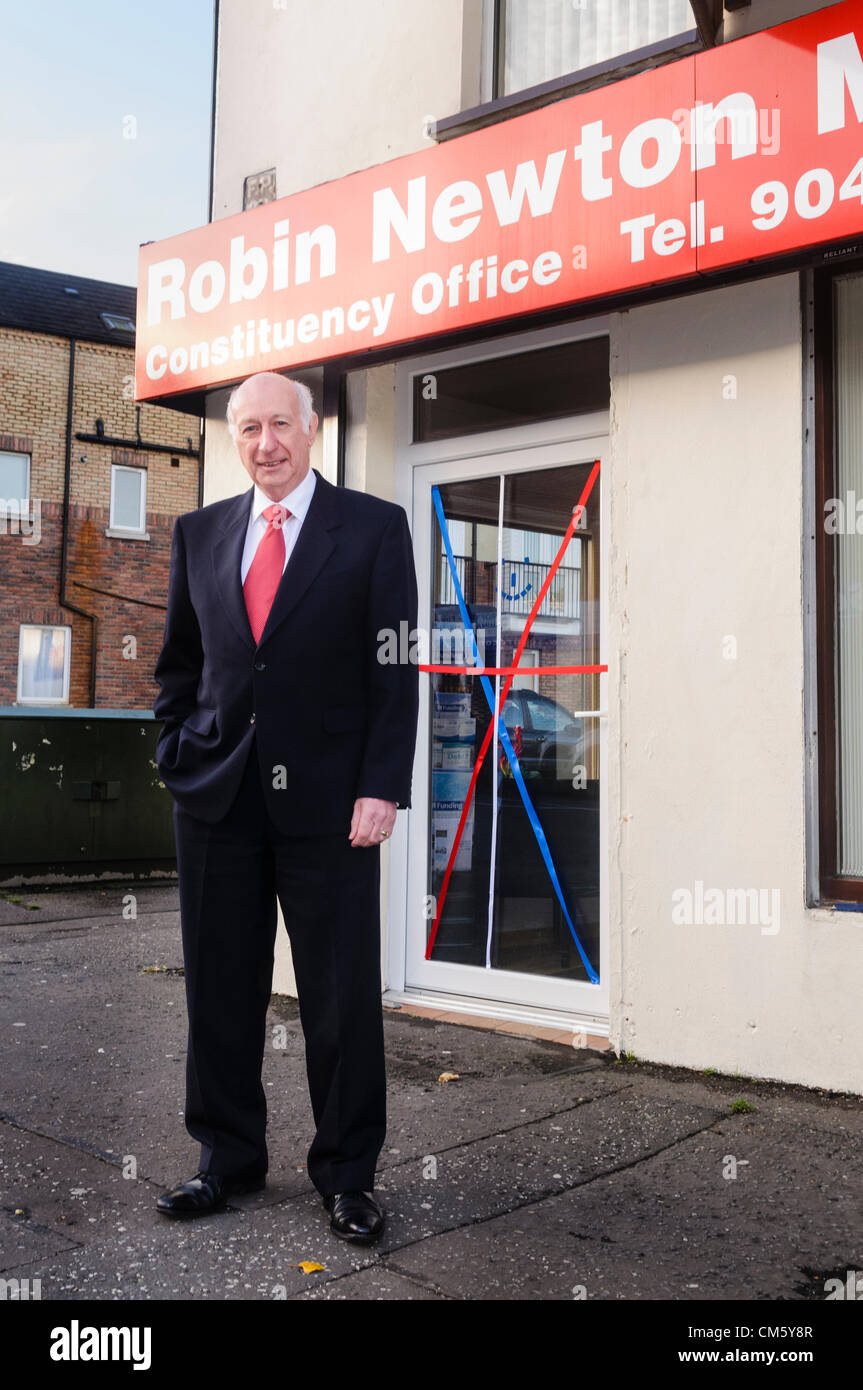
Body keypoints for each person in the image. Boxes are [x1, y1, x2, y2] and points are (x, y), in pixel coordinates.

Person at [152, 371, 419, 1244]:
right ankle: (224, 1161)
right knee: (219, 992)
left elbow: (394, 667)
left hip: (333, 808)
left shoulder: (374, 527)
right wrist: (174, 752)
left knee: (339, 999)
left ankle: (347, 1175)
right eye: (247, 428)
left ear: (311, 431)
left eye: (279, 425)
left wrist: (382, 785)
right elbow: (179, 666)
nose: (264, 443)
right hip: (218, 802)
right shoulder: (200, 533)